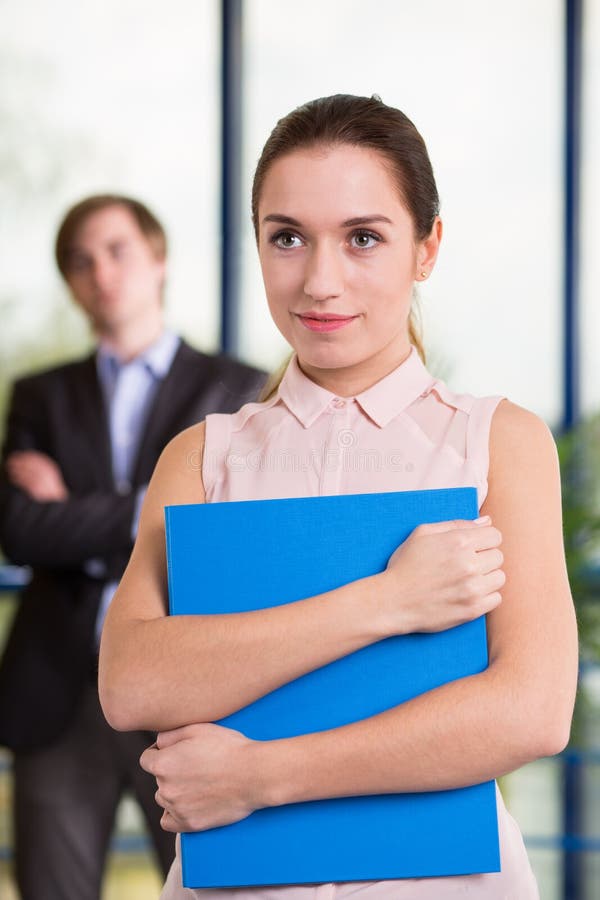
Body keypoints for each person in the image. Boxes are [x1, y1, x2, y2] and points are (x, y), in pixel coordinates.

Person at [99, 96, 578, 899]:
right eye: (286, 237)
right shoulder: (202, 456)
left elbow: (531, 709)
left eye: (364, 238)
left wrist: (260, 775)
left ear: (427, 247)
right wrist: (389, 601)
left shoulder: (499, 441)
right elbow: (132, 685)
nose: (321, 281)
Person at [0, 193, 266, 900]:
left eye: (116, 250)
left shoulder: (237, 390)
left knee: (214, 890)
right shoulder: (39, 396)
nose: (101, 273)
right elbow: (21, 530)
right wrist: (154, 508)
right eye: (81, 261)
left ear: (158, 259)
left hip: (187, 695)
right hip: (58, 695)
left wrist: (76, 517)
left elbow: (220, 540)